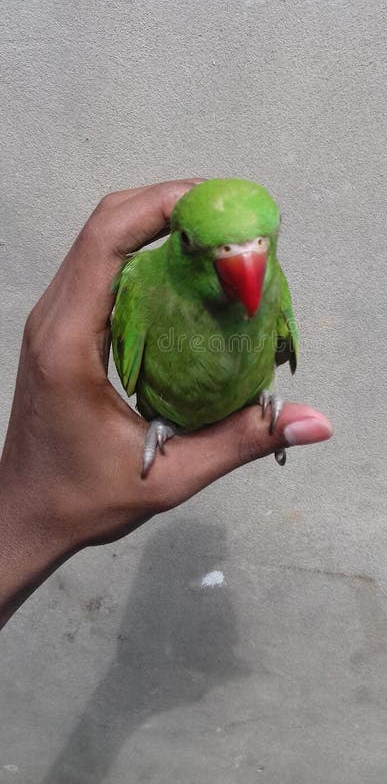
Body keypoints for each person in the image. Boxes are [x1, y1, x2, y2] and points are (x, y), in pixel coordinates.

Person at [0, 179, 332, 628]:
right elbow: (134, 380)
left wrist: (262, 401)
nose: (249, 264)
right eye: (201, 244)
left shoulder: (273, 286)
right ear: (180, 241)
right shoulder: (139, 285)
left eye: (263, 245)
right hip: (170, 416)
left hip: (248, 394)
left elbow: (279, 348)